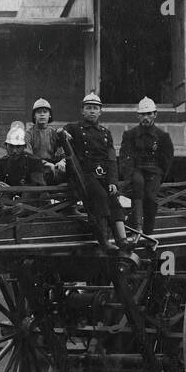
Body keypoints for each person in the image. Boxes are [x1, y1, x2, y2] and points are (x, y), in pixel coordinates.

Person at [54, 91, 129, 253]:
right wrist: (62, 134)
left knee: (113, 199)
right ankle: (104, 241)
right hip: (82, 175)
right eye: (88, 108)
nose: (92, 111)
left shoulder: (105, 133)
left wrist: (112, 182)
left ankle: (122, 240)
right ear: (82, 111)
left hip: (102, 175)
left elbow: (111, 160)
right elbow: (58, 135)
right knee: (100, 198)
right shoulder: (74, 128)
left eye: (95, 108)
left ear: (100, 111)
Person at [119, 96, 173, 236]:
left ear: (155, 114)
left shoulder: (162, 136)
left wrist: (160, 176)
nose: (146, 117)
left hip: (154, 171)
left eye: (149, 114)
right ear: (138, 116)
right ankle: (137, 227)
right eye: (143, 114)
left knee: (150, 197)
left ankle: (148, 231)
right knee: (138, 184)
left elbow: (166, 159)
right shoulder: (130, 135)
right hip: (137, 169)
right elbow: (125, 156)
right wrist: (129, 175)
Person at [26, 97, 66, 186]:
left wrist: (62, 162)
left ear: (49, 115)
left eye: (45, 112)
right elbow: (28, 155)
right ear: (34, 115)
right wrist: (45, 164)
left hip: (52, 168)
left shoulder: (54, 133)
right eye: (39, 112)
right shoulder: (28, 134)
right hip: (35, 169)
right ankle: (45, 198)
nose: (42, 114)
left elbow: (62, 153)